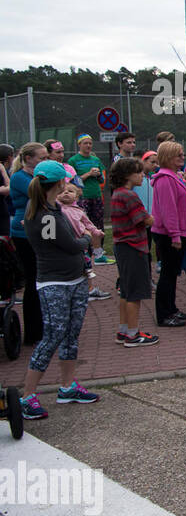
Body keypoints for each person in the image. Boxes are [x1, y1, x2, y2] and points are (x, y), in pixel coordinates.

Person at [18, 160, 101, 419]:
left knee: (71, 334)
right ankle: (27, 395)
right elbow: (69, 245)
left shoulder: (54, 208)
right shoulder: (43, 215)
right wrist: (89, 238)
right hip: (55, 282)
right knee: (53, 335)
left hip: (73, 279)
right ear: (60, 183)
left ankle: (67, 386)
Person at [107, 158, 158, 347]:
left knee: (126, 292)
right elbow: (144, 220)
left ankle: (124, 330)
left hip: (122, 246)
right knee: (135, 293)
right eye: (138, 172)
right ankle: (133, 334)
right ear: (128, 175)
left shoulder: (118, 194)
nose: (142, 176)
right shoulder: (129, 195)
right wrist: (151, 218)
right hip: (133, 246)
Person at [149, 141, 186, 328]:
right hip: (169, 235)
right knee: (168, 274)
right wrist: (175, 235)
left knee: (172, 274)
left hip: (177, 232)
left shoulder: (173, 177)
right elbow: (169, 210)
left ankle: (172, 308)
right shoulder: (165, 179)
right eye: (179, 155)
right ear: (168, 157)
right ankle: (164, 314)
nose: (183, 158)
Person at [54, 171, 111, 302]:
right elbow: (47, 229)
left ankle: (88, 289)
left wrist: (96, 232)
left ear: (77, 196)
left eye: (70, 191)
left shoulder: (79, 211)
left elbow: (88, 224)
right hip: (66, 243)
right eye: (62, 191)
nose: (66, 193)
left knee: (86, 266)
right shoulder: (57, 209)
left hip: (80, 244)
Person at [10, 142, 47, 345]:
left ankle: (44, 325)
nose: (45, 161)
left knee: (42, 278)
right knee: (33, 280)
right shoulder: (19, 178)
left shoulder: (35, 177)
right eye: (41, 158)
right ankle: (33, 332)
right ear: (28, 159)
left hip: (39, 228)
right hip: (24, 233)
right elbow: (40, 194)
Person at [67, 134, 109, 263]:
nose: (88, 146)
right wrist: (88, 174)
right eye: (85, 143)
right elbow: (73, 181)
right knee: (84, 224)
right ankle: (87, 252)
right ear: (79, 145)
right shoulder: (73, 160)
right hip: (82, 196)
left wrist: (97, 175)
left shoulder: (95, 160)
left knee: (98, 223)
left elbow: (102, 178)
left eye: (90, 143)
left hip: (96, 194)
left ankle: (99, 251)